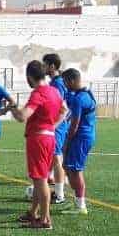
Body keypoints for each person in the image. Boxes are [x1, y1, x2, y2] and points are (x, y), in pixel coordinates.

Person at [10, 60, 67, 230]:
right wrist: (52, 126)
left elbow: (22, 116)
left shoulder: (38, 93)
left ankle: (45, 220)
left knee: (40, 180)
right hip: (49, 137)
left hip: (38, 139)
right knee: (39, 178)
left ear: (29, 76)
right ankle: (33, 213)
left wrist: (13, 108)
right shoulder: (54, 91)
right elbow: (64, 110)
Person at [62, 68, 97, 215]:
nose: (65, 85)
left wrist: (66, 142)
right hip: (85, 136)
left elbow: (74, 125)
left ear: (71, 81)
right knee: (69, 168)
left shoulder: (79, 99)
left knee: (75, 170)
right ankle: (77, 201)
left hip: (80, 137)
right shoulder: (85, 94)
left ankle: (81, 206)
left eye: (65, 82)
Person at [43, 53, 69, 204]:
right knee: (54, 157)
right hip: (57, 124)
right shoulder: (55, 82)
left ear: (52, 66)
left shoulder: (57, 83)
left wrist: (53, 125)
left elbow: (61, 107)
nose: (43, 67)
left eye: (45, 64)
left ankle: (59, 195)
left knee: (56, 158)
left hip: (56, 125)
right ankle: (54, 182)